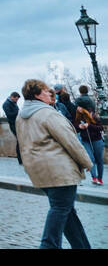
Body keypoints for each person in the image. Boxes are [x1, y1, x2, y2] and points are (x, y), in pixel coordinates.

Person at [16, 78, 93, 249]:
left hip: (39, 170)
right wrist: (87, 162)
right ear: (36, 94)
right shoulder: (48, 113)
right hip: (59, 170)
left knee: (67, 212)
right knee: (60, 209)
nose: (49, 93)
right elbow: (70, 141)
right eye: (45, 91)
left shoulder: (21, 116)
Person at [75, 106, 104, 186]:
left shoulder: (93, 116)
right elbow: (75, 127)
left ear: (84, 107)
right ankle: (94, 177)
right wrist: (79, 127)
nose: (78, 108)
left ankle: (100, 178)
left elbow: (101, 128)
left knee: (99, 160)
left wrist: (89, 125)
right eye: (77, 107)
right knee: (90, 158)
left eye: (80, 106)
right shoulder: (78, 116)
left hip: (97, 140)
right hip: (86, 140)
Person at [2, 91, 22, 164]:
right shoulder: (6, 104)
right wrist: (18, 113)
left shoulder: (13, 103)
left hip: (17, 123)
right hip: (13, 124)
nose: (17, 101)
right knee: (19, 141)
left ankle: (21, 158)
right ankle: (20, 159)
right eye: (16, 99)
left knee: (20, 141)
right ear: (12, 97)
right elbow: (9, 115)